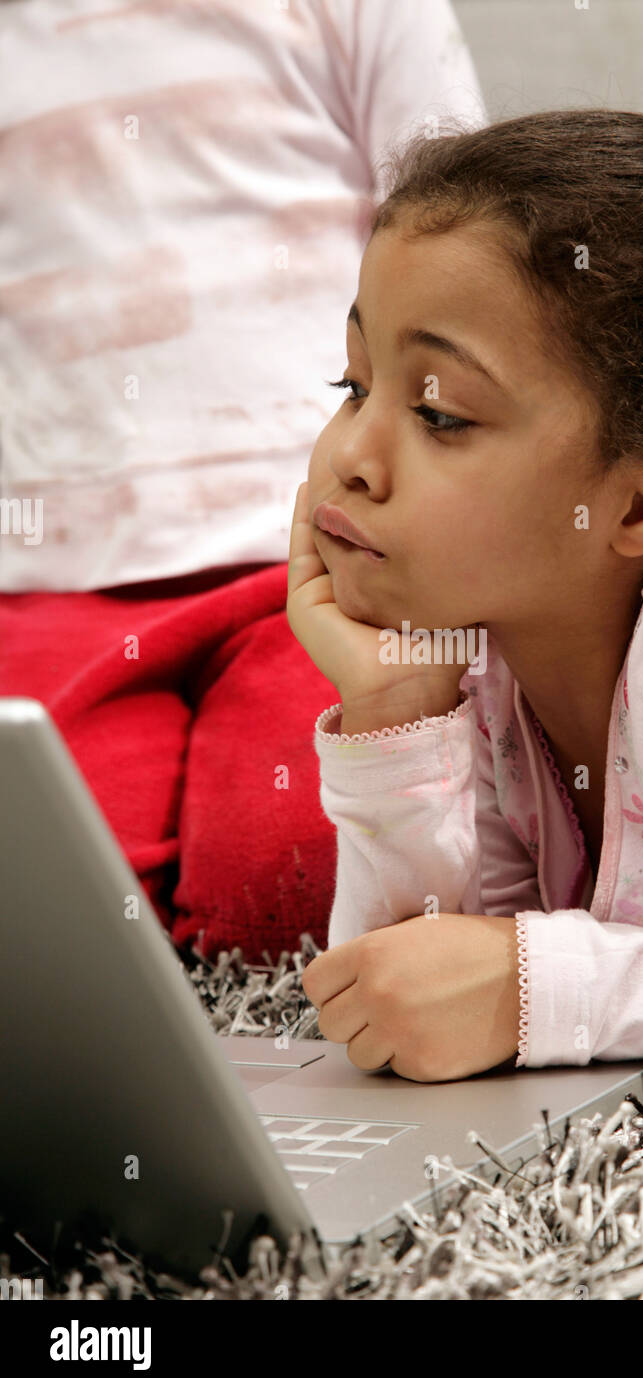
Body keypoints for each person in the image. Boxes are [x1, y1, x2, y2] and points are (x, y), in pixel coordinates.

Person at [288, 108, 643, 1083]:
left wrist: (537, 987)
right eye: (351, 385)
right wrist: (397, 712)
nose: (347, 457)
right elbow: (394, 996)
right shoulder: (485, 627)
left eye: (438, 412)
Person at [0, 0, 486, 960]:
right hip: (50, 575)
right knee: (49, 916)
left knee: (286, 891)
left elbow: (471, 236)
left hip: (322, 552)